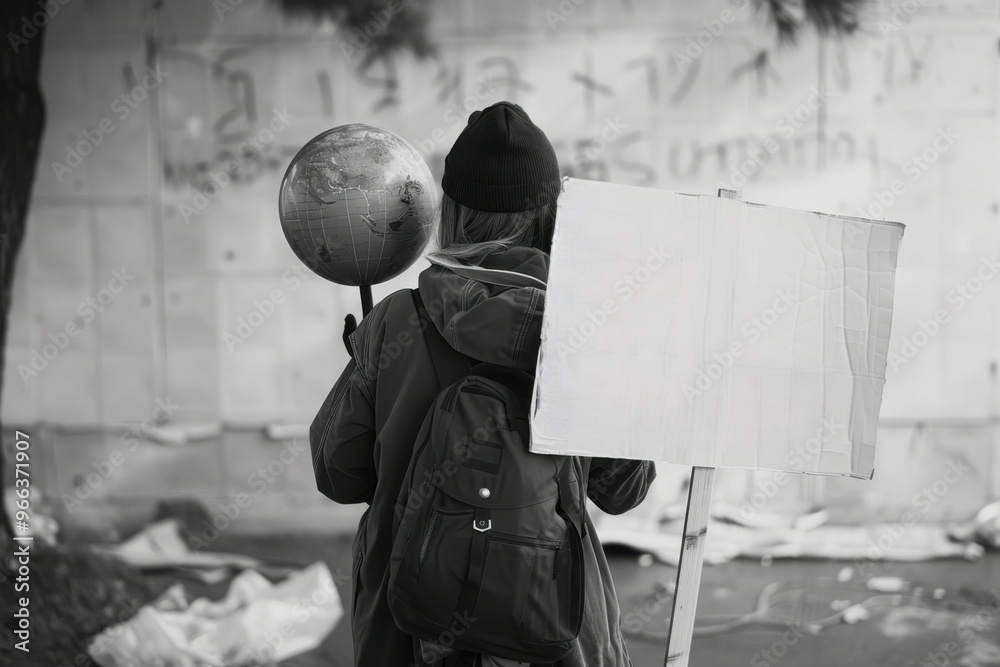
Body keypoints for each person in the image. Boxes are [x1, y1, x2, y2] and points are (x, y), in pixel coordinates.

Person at [310, 100, 656, 667]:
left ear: (451, 212)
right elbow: (624, 490)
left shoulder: (396, 322)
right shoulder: (585, 330)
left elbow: (338, 474)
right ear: (549, 213)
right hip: (557, 632)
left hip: (410, 636)